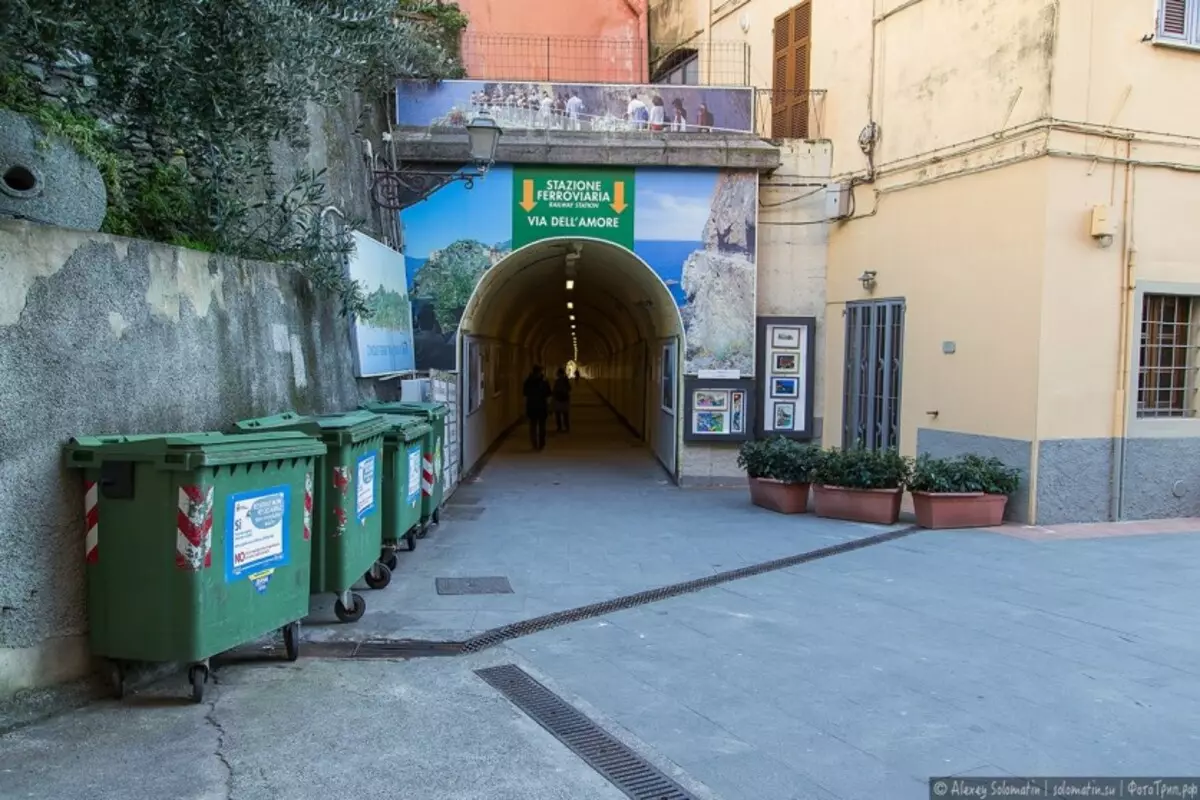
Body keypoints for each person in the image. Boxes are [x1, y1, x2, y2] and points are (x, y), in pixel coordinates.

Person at [523, 365, 551, 451]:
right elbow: (548, 393)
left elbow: (525, 392)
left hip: (532, 406)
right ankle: (541, 444)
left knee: (533, 426)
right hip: (541, 406)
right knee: (541, 426)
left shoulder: (528, 381)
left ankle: (535, 444)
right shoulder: (544, 382)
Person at [552, 367, 572, 433]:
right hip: (563, 399)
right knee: (563, 414)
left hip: (561, 399)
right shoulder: (564, 381)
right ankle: (564, 427)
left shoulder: (559, 381)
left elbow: (554, 390)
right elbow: (569, 389)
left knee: (561, 414)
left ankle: (561, 427)